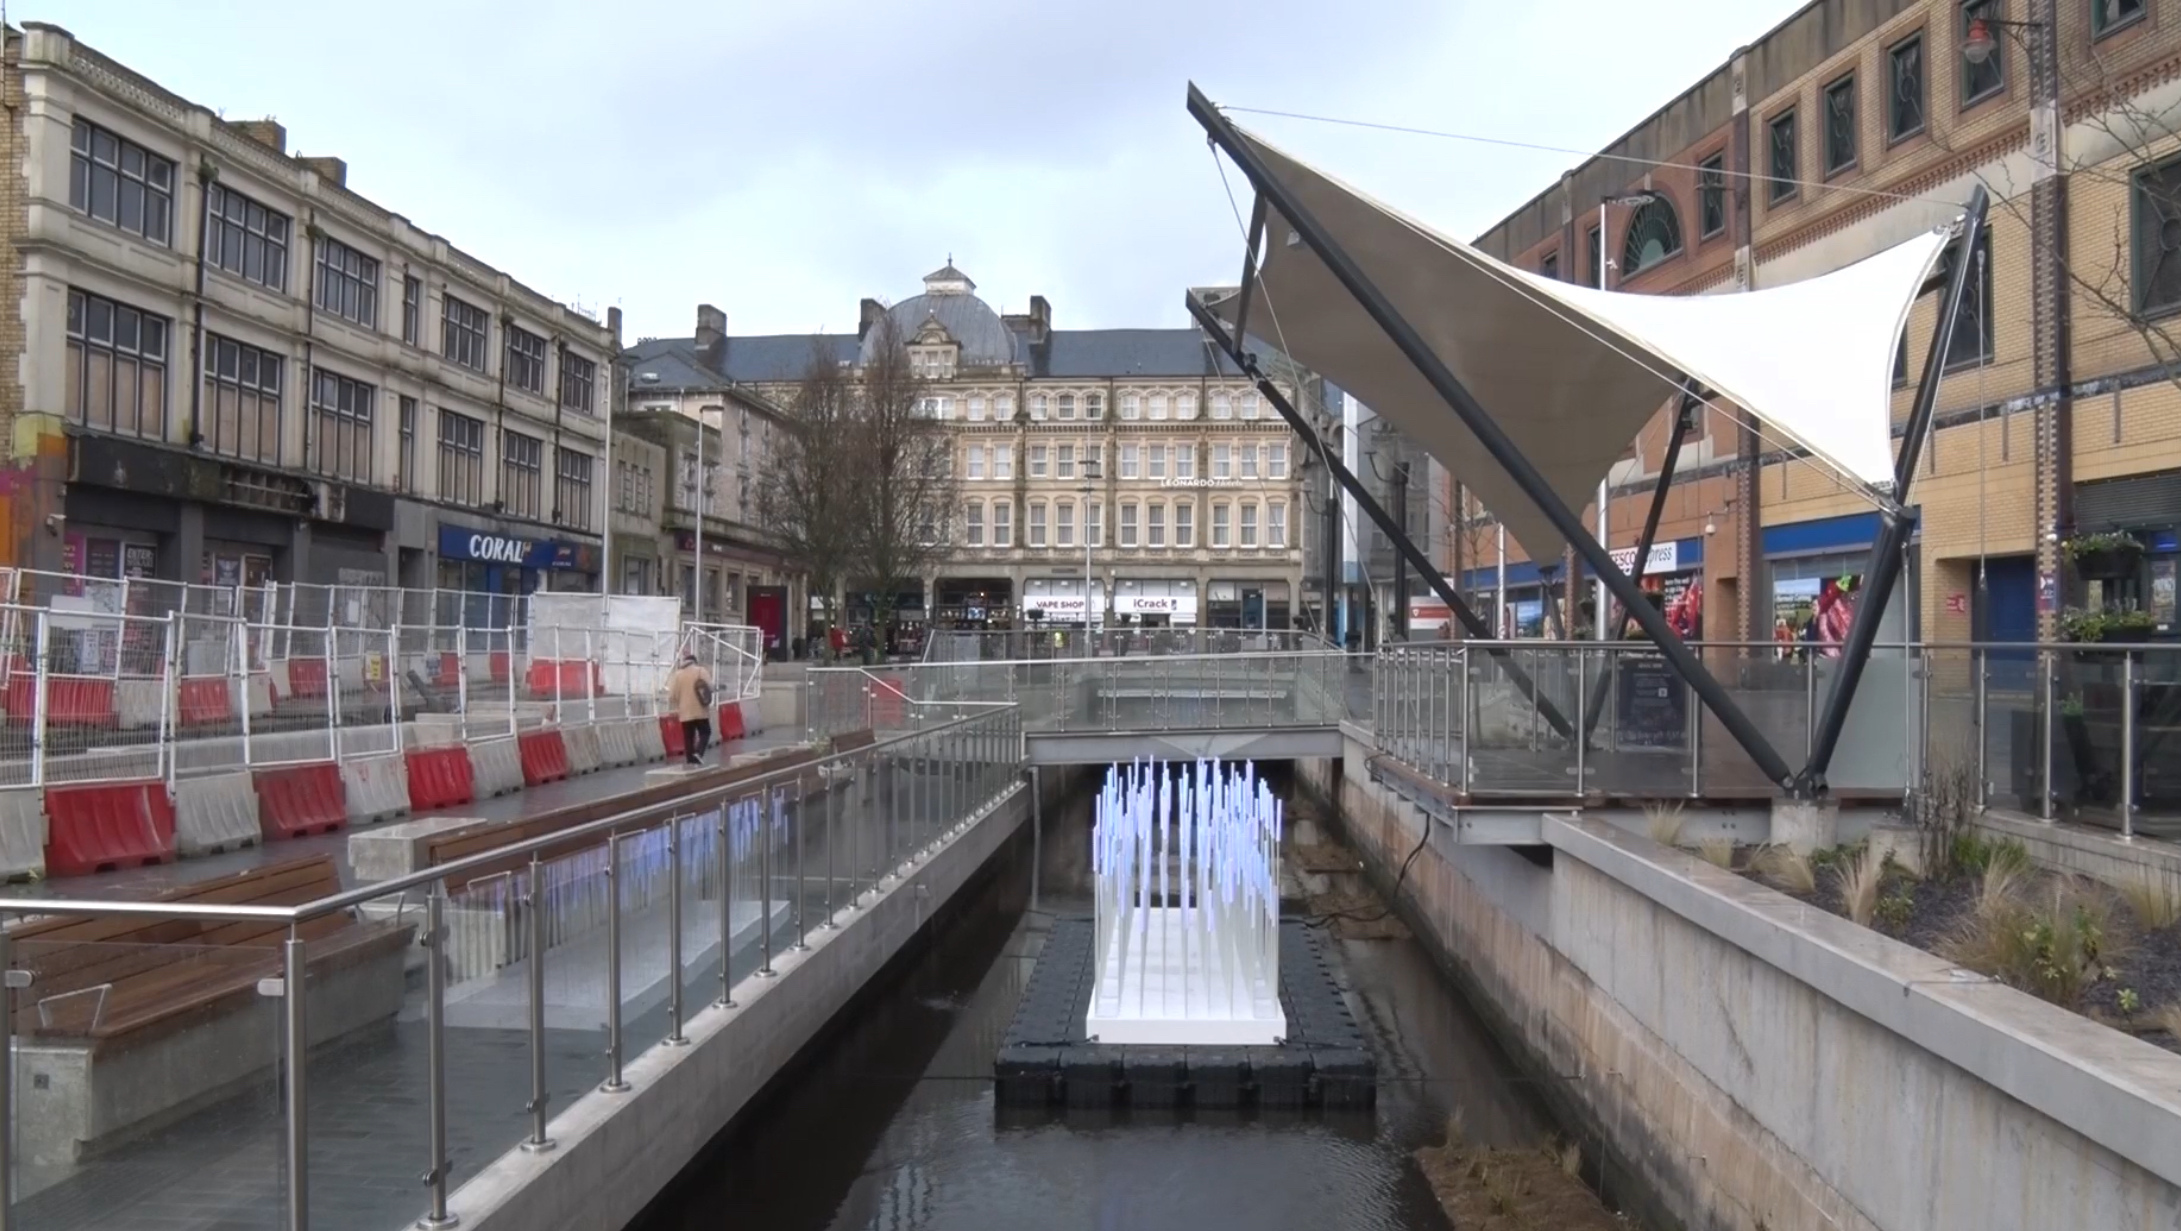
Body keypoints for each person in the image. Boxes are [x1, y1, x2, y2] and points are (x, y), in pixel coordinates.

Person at [665, 653, 714, 766]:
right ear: (695, 662)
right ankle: (698, 752)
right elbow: (710, 687)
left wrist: (680, 703)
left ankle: (689, 761)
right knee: (705, 732)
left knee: (688, 736)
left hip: (685, 712)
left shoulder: (677, 675)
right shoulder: (701, 671)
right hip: (700, 710)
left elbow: (672, 695)